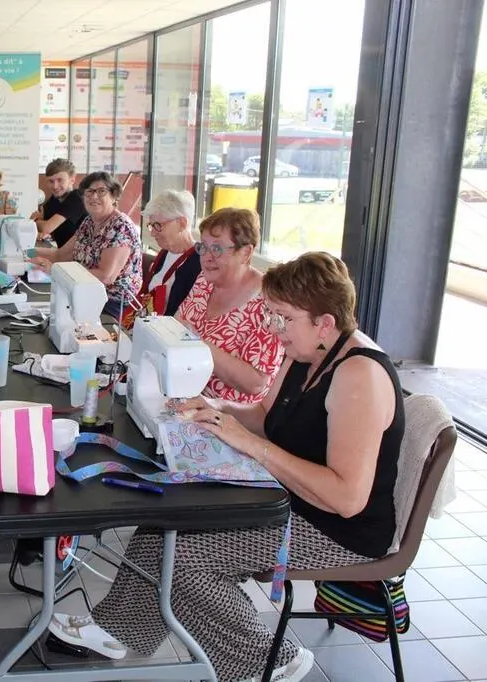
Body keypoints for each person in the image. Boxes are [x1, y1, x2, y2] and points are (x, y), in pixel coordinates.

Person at [52, 252, 403, 682]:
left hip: (337, 530)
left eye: (283, 319)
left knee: (183, 560)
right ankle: (119, 630)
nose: (274, 330)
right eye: (272, 316)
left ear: (324, 323)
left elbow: (346, 498)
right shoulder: (308, 350)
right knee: (165, 518)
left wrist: (253, 447)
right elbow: (265, 414)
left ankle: (272, 660)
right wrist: (216, 407)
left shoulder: (359, 376)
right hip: (290, 496)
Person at [175, 207, 284, 404]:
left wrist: (197, 343)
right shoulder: (205, 280)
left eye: (217, 248)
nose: (207, 257)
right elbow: (175, 326)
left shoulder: (269, 302)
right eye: (203, 247)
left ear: (245, 253)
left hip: (230, 418)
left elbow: (256, 383)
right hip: (185, 398)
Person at [30, 171, 143, 318]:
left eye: (101, 191)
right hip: (85, 292)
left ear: (114, 196)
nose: (94, 196)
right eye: (89, 192)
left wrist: (57, 271)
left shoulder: (120, 226)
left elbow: (106, 276)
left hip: (113, 305)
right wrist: (26, 252)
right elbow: (60, 255)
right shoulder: (89, 222)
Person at [124, 189, 201, 323]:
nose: (153, 233)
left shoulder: (199, 263)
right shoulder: (165, 252)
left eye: (158, 225)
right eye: (151, 225)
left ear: (182, 223)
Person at [31, 158, 86, 247]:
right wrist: (40, 227)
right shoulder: (54, 199)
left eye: (60, 180)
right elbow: (41, 229)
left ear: (72, 180)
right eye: (51, 181)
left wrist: (37, 221)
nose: (55, 186)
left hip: (80, 257)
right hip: (63, 253)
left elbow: (46, 227)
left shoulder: (77, 198)